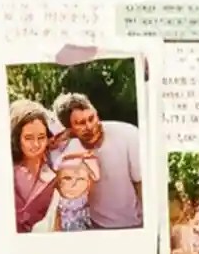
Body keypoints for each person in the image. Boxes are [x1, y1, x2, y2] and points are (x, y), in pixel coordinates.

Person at [51, 92, 143, 229]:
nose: (89, 126)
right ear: (69, 130)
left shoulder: (128, 135)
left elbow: (141, 184)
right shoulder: (65, 151)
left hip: (136, 223)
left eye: (91, 118)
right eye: (81, 123)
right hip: (96, 226)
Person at [10, 100, 58, 233]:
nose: (36, 144)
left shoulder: (54, 173)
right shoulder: (7, 171)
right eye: (29, 138)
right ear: (17, 138)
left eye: (41, 137)